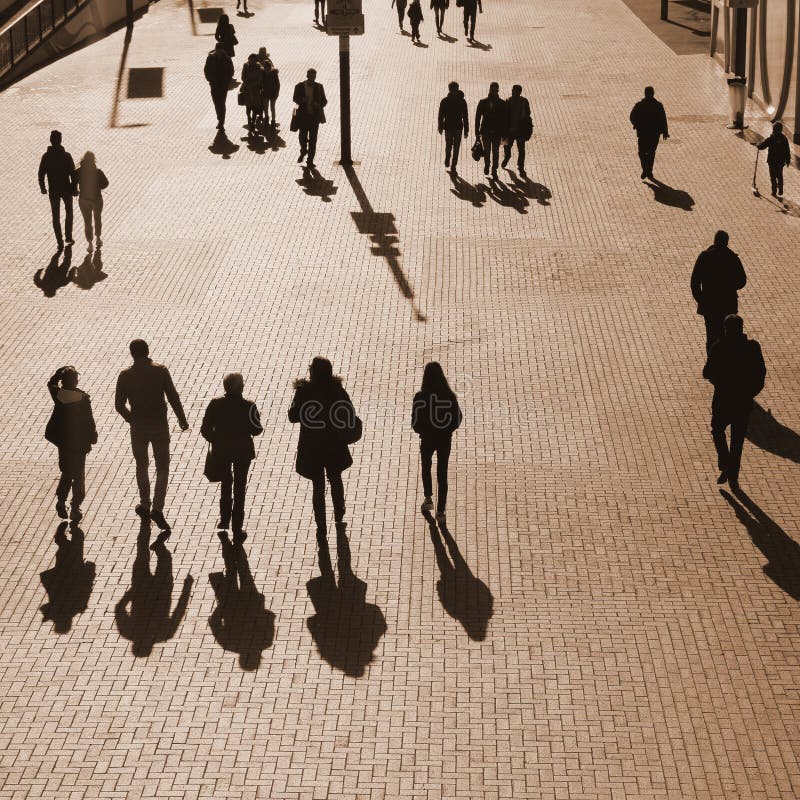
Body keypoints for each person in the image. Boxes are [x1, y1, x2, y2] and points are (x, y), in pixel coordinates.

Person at [115, 339, 189, 531]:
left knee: (142, 465)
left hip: (138, 428)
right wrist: (181, 418)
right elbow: (172, 396)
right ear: (148, 351)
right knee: (162, 467)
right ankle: (157, 507)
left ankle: (145, 503)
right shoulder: (160, 371)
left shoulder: (125, 375)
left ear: (132, 353)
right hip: (159, 426)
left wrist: (131, 419)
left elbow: (119, 405)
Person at [288, 358, 358, 547]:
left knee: (317, 486)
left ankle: (321, 527)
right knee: (335, 478)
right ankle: (339, 513)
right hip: (334, 444)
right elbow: (349, 411)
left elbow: (292, 416)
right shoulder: (336, 390)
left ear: (313, 371)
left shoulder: (304, 391)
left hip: (311, 447)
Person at [703, 314, 766, 490]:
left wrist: (718, 381)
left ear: (725, 329)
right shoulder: (752, 348)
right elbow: (760, 373)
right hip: (742, 401)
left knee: (717, 429)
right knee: (737, 440)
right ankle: (733, 475)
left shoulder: (718, 347)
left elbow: (707, 373)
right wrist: (750, 393)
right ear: (741, 328)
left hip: (722, 399)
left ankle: (725, 462)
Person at [201, 373, 262, 540]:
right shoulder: (249, 405)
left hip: (222, 451)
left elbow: (205, 428)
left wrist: (216, 439)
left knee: (226, 483)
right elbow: (257, 430)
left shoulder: (215, 404)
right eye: (241, 383)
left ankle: (224, 519)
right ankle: (237, 525)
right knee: (240, 487)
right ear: (238, 387)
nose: (243, 385)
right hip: (243, 451)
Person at [45, 366, 97, 523]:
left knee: (67, 471)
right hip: (79, 442)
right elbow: (89, 419)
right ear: (75, 381)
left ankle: (61, 501)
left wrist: (58, 373)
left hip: (64, 442)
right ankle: (75, 508)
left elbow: (51, 384)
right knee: (78, 475)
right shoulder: (82, 398)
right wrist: (93, 434)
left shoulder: (59, 395)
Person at [412, 362, 462, 523]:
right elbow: (457, 418)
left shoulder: (420, 397)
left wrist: (422, 431)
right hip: (444, 439)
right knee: (442, 472)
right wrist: (448, 430)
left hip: (427, 438)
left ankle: (428, 498)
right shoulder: (449, 396)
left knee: (426, 466)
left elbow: (415, 422)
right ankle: (441, 511)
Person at [690, 230, 747, 353]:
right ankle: (726, 359)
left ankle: (712, 359)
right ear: (727, 242)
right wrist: (730, 286)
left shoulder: (705, 257)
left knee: (711, 335)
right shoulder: (732, 258)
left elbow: (694, 282)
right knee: (727, 335)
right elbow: (742, 281)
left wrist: (701, 300)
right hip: (728, 304)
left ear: (715, 241)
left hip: (710, 305)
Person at [38, 130, 76, 250]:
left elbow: (41, 173)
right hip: (66, 189)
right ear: (60, 140)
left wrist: (43, 187)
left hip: (53, 190)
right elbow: (73, 174)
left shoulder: (46, 156)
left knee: (56, 216)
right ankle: (68, 236)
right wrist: (74, 188)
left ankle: (59, 241)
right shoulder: (66, 156)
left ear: (51, 141)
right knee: (69, 212)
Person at [629, 86, 668, 180]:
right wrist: (665, 132)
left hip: (643, 133)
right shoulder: (658, 105)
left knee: (642, 153)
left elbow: (632, 117)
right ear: (653, 93)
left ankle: (646, 170)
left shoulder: (640, 105)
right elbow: (663, 120)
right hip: (654, 134)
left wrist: (636, 124)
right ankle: (648, 171)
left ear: (645, 94)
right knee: (650, 153)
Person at [292, 68, 327, 169]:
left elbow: (324, 101)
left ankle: (310, 161)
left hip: (314, 118)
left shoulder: (319, 87)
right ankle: (303, 150)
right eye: (310, 76)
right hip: (303, 117)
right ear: (307, 76)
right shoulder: (299, 86)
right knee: (302, 137)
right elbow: (295, 98)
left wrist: (318, 105)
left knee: (313, 140)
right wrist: (302, 100)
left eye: (314, 76)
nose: (312, 78)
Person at [73, 152, 108, 254]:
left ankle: (90, 243)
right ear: (93, 160)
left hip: (84, 199)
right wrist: (98, 187)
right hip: (96, 198)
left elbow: (73, 182)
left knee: (87, 221)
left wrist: (76, 191)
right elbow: (106, 183)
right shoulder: (98, 172)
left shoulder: (79, 172)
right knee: (97, 218)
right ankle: (98, 238)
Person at [475, 82, 508, 180]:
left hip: (497, 132)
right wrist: (477, 131)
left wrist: (504, 133)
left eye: (495, 90)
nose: (494, 92)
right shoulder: (483, 102)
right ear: (489, 90)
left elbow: (505, 119)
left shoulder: (502, 103)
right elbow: (478, 117)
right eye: (492, 90)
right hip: (486, 131)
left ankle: (494, 170)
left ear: (498, 91)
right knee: (487, 150)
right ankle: (487, 165)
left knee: (495, 151)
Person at [438, 81, 469, 172]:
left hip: (458, 127)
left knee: (456, 147)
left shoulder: (462, 101)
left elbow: (465, 116)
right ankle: (448, 157)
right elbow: (441, 115)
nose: (454, 91)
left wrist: (466, 129)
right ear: (450, 90)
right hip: (448, 127)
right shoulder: (445, 101)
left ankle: (453, 165)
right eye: (453, 90)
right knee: (448, 145)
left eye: (455, 89)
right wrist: (440, 126)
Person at [756, 121, 791, 200]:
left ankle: (774, 190)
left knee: (773, 176)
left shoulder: (771, 138)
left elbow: (763, 145)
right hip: (780, 161)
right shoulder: (784, 139)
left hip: (772, 161)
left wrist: (758, 146)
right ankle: (780, 189)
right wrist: (788, 160)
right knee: (779, 175)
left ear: (774, 130)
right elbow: (787, 150)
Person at [204, 41, 235, 130]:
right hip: (214, 84)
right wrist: (210, 80)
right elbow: (206, 70)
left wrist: (227, 81)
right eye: (218, 50)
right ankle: (219, 118)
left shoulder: (227, 59)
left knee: (221, 103)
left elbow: (231, 71)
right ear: (216, 50)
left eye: (221, 50)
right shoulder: (210, 58)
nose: (220, 52)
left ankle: (221, 122)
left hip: (223, 85)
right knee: (216, 103)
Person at [502, 84, 532, 173]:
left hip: (520, 130)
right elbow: (504, 115)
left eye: (515, 91)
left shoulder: (524, 101)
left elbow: (528, 113)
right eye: (513, 91)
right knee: (507, 146)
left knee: (521, 150)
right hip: (509, 130)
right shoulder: (508, 101)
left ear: (519, 92)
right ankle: (507, 157)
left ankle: (520, 167)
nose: (513, 92)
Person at [241, 53, 264, 134]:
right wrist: (247, 83)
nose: (250, 62)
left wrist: (253, 84)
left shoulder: (259, 68)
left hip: (255, 91)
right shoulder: (245, 66)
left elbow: (260, 79)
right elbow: (243, 77)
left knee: (255, 107)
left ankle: (253, 122)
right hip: (247, 90)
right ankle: (249, 119)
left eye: (252, 60)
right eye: (249, 60)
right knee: (248, 107)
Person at [262, 57, 280, 129]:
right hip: (266, 93)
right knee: (266, 107)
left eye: (268, 69)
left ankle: (273, 121)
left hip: (272, 93)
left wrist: (276, 93)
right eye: (266, 69)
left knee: (272, 107)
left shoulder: (274, 73)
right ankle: (267, 119)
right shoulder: (263, 73)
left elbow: (277, 84)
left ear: (270, 68)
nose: (267, 70)